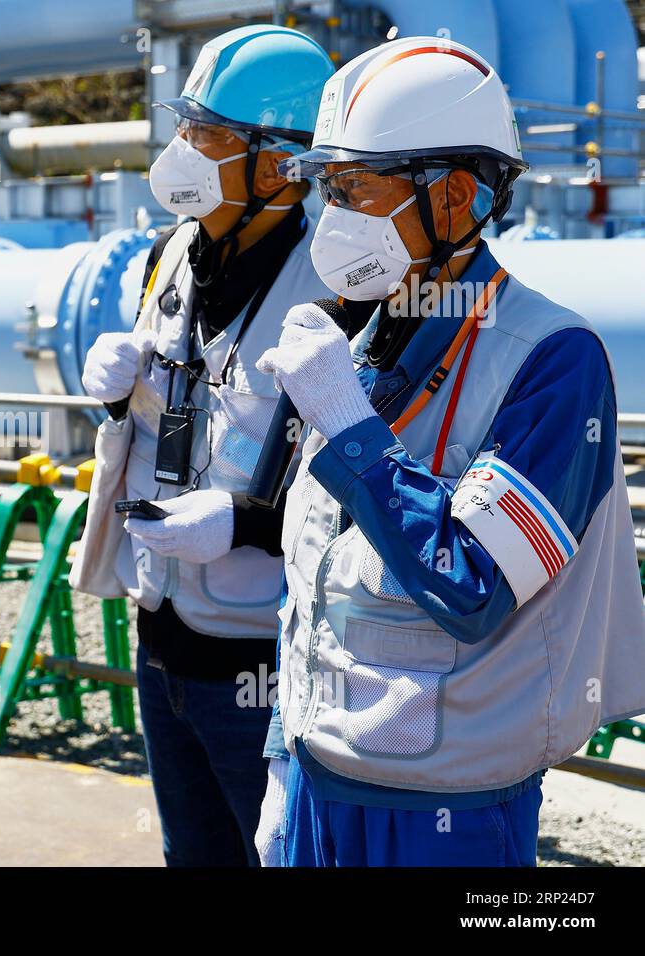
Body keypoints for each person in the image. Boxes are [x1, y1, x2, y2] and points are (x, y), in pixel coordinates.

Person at [253, 36, 645, 866]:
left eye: (357, 189)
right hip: (320, 790)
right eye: (328, 189)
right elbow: (310, 586)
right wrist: (283, 757)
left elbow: (470, 587)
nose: (333, 218)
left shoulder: (550, 358)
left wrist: (353, 430)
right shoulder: (359, 341)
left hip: (449, 811)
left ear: (458, 195)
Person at [69, 24, 333, 866]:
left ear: (280, 164)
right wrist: (115, 399)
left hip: (265, 660)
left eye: (208, 135)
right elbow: (168, 409)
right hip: (162, 639)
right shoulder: (171, 254)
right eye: (184, 126)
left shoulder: (334, 290)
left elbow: (366, 479)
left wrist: (250, 524)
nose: (181, 151)